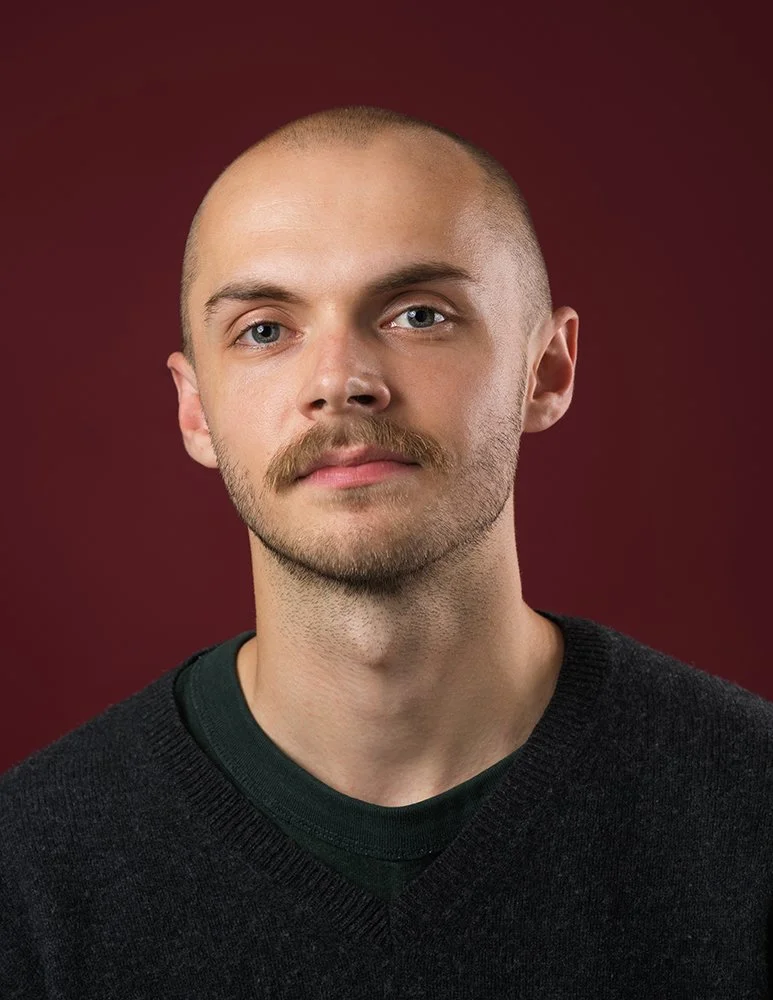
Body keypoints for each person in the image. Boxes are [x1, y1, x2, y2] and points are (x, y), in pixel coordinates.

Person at [1, 104, 770, 998]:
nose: (339, 382)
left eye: (417, 314)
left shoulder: (748, 814)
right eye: (263, 330)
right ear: (195, 409)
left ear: (547, 370)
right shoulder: (28, 873)